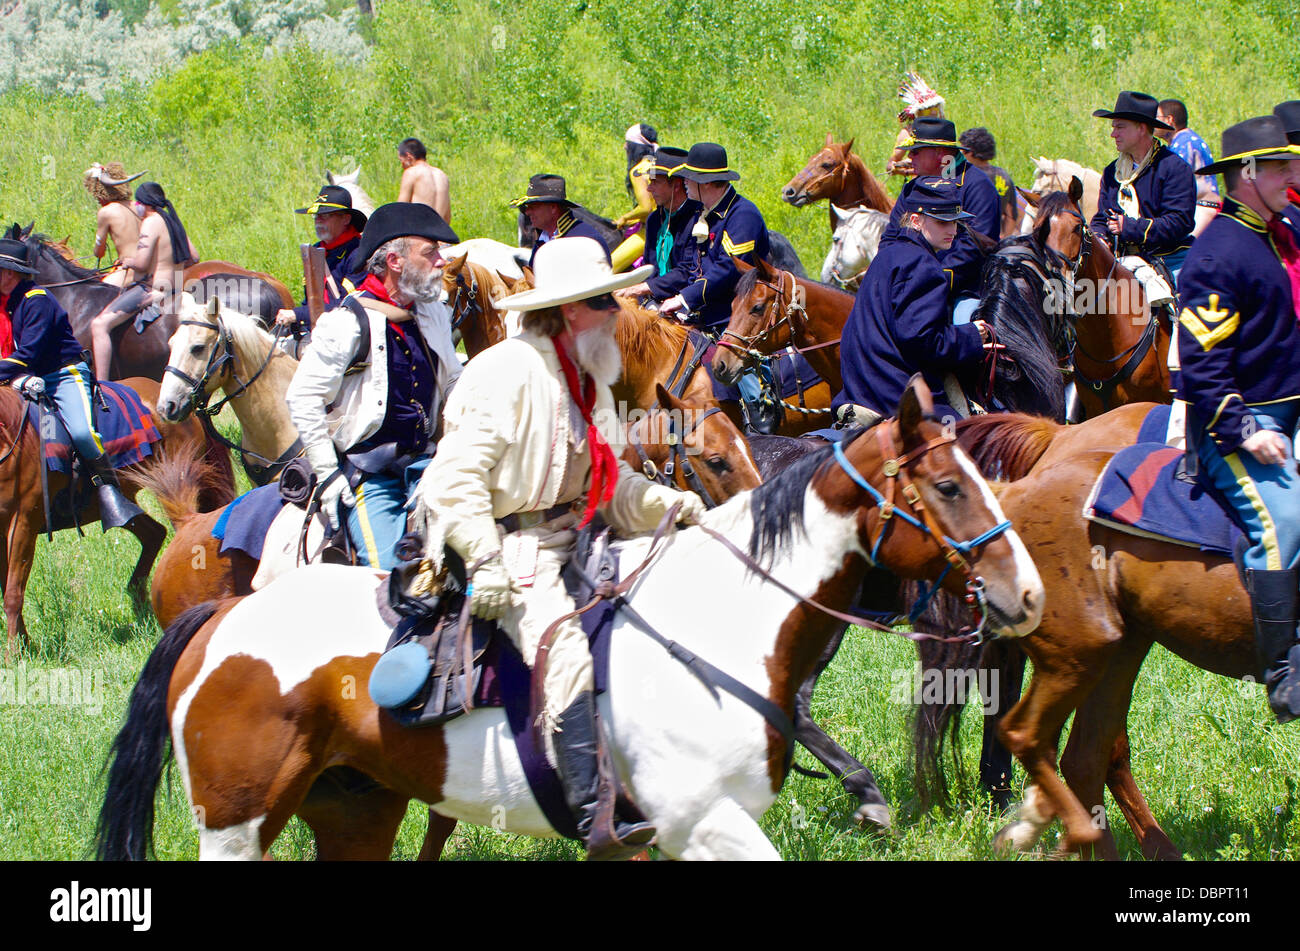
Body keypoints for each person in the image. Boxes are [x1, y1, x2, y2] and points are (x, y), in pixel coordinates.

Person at [412, 235, 706, 859]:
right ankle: (594, 815)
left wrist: (666, 505)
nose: (618, 312)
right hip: (507, 544)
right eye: (605, 302)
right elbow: (452, 481)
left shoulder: (589, 378)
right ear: (572, 311)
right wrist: (485, 560)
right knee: (565, 647)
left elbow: (610, 481)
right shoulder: (504, 371)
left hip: (575, 536)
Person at [1175, 115, 1300, 722]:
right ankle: (1283, 670)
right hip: (1235, 430)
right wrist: (1250, 432)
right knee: (1288, 520)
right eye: (1281, 167)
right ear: (1246, 174)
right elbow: (1203, 370)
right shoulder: (1217, 254)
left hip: (1293, 411)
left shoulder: (1278, 236)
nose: (1293, 176)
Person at [285, 202, 463, 570]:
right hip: (371, 475)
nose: (442, 262)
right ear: (395, 261)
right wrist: (329, 475)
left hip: (429, 462)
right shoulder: (346, 323)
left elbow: (454, 382)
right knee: (391, 572)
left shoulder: (432, 312)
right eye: (430, 253)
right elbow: (302, 397)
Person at [0, 238, 159, 536]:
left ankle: (109, 491)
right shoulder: (4, 307)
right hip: (24, 377)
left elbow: (28, 353)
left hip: (63, 375)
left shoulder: (37, 301)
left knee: (83, 433)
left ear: (11, 273)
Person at [834, 178, 1000, 428]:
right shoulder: (924, 265)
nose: (953, 230)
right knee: (983, 442)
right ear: (915, 220)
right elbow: (924, 341)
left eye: (955, 222)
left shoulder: (889, 255)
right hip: (896, 396)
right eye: (942, 221)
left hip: (859, 388)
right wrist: (973, 337)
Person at [883, 118, 1000, 321]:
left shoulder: (978, 186)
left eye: (916, 151)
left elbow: (973, 250)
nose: (910, 157)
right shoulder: (911, 189)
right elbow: (891, 238)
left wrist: (929, 279)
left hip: (966, 290)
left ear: (939, 153)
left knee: (963, 322)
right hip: (910, 284)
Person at [1089, 91, 1196, 311]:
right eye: (1113, 127)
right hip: (1123, 262)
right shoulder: (1112, 172)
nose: (1113, 134)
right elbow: (1102, 216)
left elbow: (1179, 222)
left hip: (1170, 260)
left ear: (1141, 128)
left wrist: (1129, 227)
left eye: (1119, 127)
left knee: (1190, 319)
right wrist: (1098, 237)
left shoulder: (1174, 169)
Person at [90, 181, 198, 381]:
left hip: (153, 290)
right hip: (175, 288)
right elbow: (194, 257)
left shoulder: (150, 221)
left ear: (145, 203)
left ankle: (102, 385)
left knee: (99, 325)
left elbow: (141, 263)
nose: (136, 206)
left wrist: (127, 261)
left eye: (137, 202)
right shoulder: (171, 220)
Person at [658, 142, 769, 329]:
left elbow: (728, 269)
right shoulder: (703, 212)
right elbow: (695, 266)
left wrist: (685, 298)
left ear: (706, 182)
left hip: (735, 319)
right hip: (703, 314)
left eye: (689, 178)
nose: (684, 182)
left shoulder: (743, 214)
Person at [273, 184, 368, 344]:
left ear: (346, 219)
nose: (319, 220)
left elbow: (347, 306)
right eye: (317, 216)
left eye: (326, 215)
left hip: (347, 335)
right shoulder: (315, 250)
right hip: (316, 330)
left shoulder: (358, 253)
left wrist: (298, 314)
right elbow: (309, 299)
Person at [613, 146, 701, 304]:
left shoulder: (697, 218)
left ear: (676, 185)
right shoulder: (655, 219)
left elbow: (687, 271)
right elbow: (650, 266)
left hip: (685, 301)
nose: (648, 188)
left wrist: (644, 288)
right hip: (655, 298)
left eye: (655, 182)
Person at [509, 174, 611, 269]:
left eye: (534, 206)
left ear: (553, 207)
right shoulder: (542, 240)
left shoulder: (586, 239)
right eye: (527, 207)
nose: (527, 212)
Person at [1157, 98, 1222, 237]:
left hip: (1203, 208)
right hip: (1199, 208)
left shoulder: (1184, 143)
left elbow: (1173, 182)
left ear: (1169, 119)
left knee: (1181, 251)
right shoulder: (1185, 140)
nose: (1153, 123)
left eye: (1156, 117)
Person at [82, 162, 144, 289]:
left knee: (100, 292)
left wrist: (98, 249)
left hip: (131, 270)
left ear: (102, 193)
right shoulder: (140, 206)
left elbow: (99, 252)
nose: (98, 200)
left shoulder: (106, 212)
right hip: (152, 264)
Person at [610, 122, 659, 271]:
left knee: (607, 269)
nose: (625, 147)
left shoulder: (638, 171)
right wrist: (635, 217)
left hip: (652, 231)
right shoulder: (658, 164)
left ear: (635, 147)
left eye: (628, 143)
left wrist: (625, 217)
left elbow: (647, 208)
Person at [959, 127, 1021, 238]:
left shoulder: (965, 175)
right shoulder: (1003, 176)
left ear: (970, 152)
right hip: (992, 240)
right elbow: (1011, 216)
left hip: (966, 239)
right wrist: (1003, 241)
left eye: (961, 149)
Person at [887, 72, 945, 177]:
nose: (933, 112)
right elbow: (891, 165)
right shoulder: (909, 133)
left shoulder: (944, 130)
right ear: (917, 112)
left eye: (935, 107)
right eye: (927, 109)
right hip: (919, 186)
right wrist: (906, 167)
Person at [397, 138, 451, 222]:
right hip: (441, 232)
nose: (402, 166)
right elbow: (447, 218)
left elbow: (400, 211)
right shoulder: (442, 175)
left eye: (401, 161)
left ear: (409, 157)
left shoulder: (411, 173)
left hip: (420, 231)